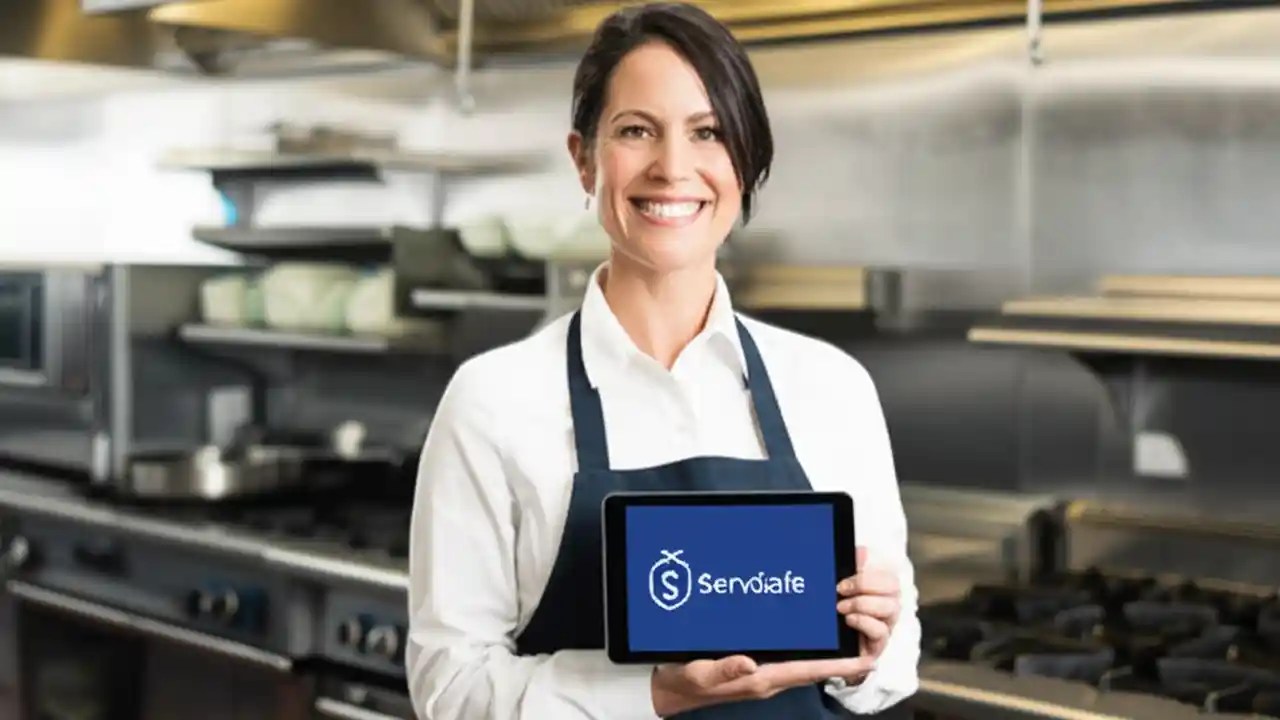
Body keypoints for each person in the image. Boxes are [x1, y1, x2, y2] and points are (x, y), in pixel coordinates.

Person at [405, 3, 920, 718]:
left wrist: (872, 646)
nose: (673, 168)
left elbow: (892, 668)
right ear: (584, 159)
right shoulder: (494, 400)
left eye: (708, 133)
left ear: (745, 162)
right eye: (636, 131)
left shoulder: (831, 389)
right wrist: (649, 695)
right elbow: (450, 690)